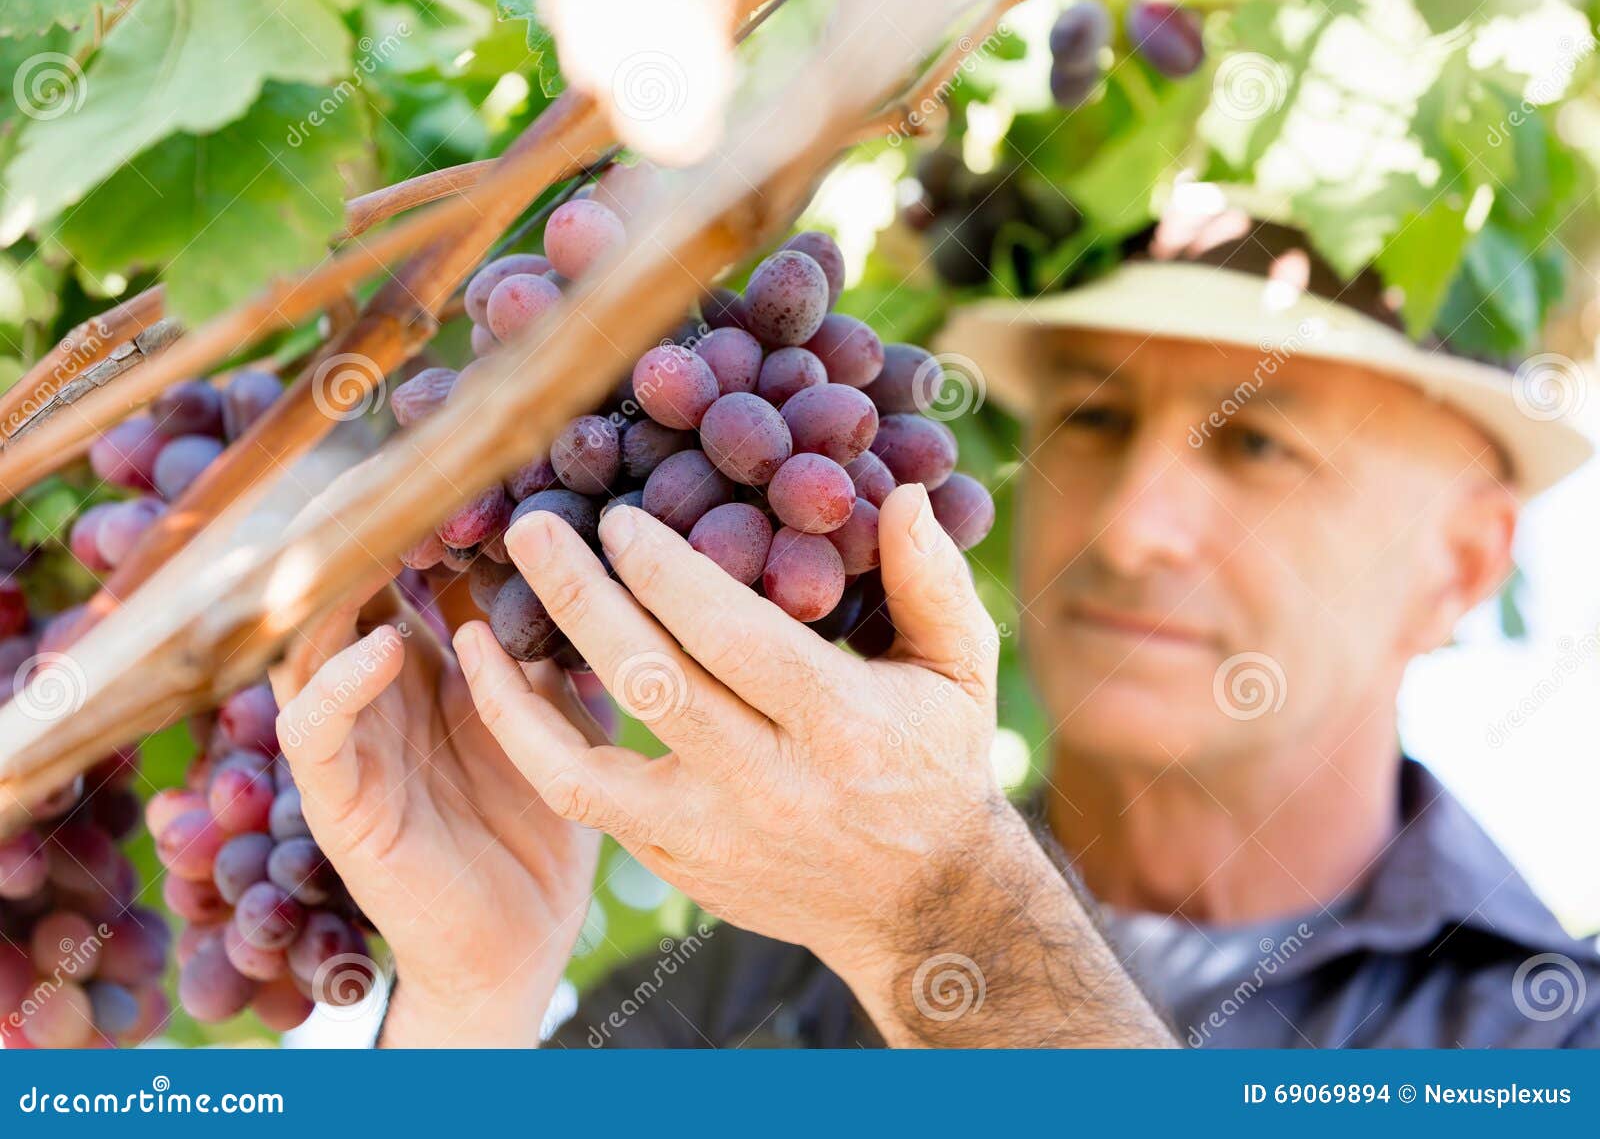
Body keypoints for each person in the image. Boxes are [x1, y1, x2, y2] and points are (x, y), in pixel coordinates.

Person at [272, 217, 1600, 1049]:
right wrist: (474, 1007)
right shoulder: (728, 1003)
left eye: (1257, 441)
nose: (1134, 527)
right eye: (1092, 417)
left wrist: (942, 916)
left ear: (1465, 562)